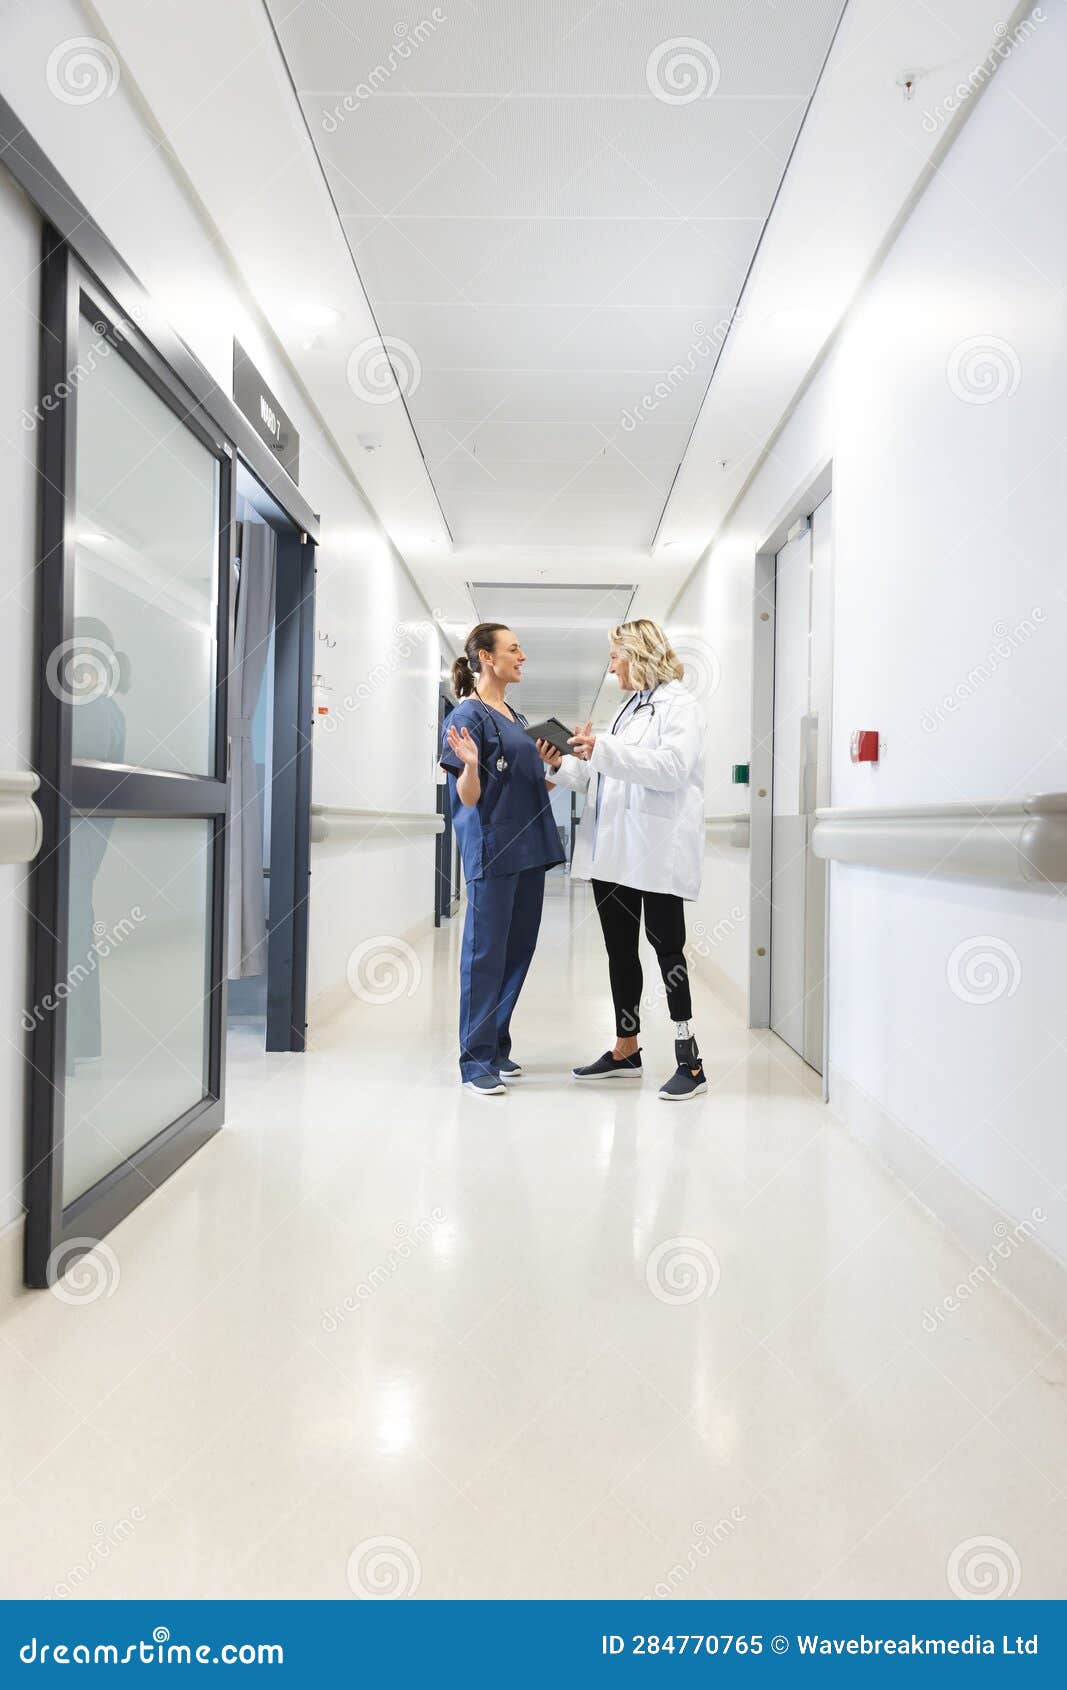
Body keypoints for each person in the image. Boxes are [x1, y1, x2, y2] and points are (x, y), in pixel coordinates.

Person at [537, 620, 707, 1101]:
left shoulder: (681, 706)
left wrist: (605, 750)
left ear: (637, 653)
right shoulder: (628, 710)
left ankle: (689, 1061)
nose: (611, 667)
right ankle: (626, 1047)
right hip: (614, 850)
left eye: (615, 657)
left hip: (656, 849)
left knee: (666, 948)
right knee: (620, 952)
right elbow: (601, 778)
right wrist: (563, 762)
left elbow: (673, 769)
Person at [441, 623, 565, 1096]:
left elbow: (529, 786)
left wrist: (555, 764)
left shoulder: (513, 715)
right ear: (487, 658)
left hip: (529, 846)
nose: (523, 656)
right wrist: (471, 765)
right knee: (485, 954)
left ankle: (496, 1044)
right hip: (494, 848)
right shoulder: (466, 717)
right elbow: (468, 798)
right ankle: (474, 1060)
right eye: (514, 649)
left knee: (518, 949)